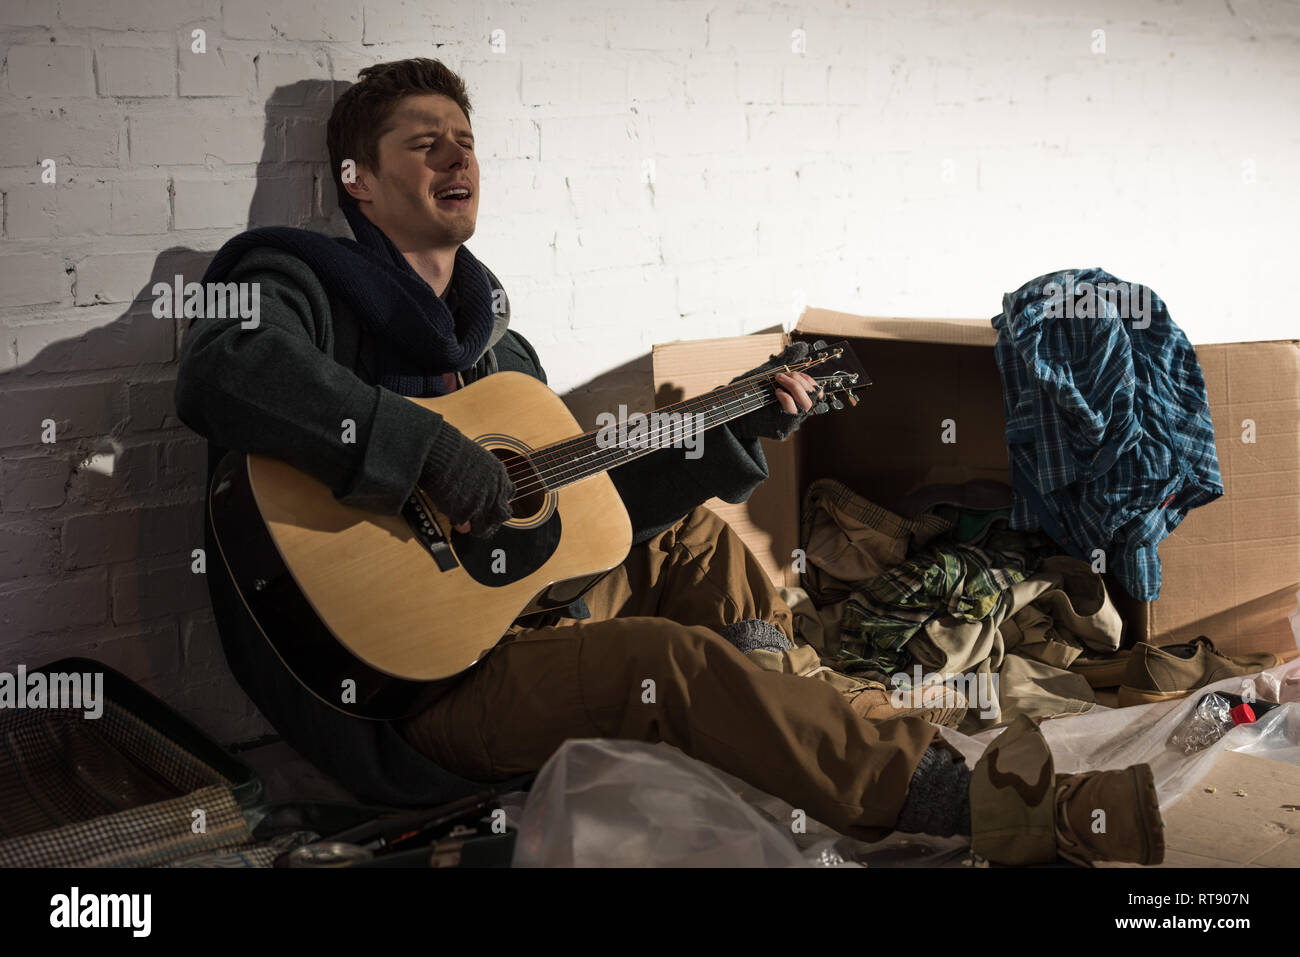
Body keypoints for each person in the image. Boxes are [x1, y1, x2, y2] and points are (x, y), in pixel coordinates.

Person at [175, 57, 1165, 865]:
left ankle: (800, 705)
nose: (455, 156)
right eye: (421, 142)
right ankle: (970, 801)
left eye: (465, 139)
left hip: (512, 613)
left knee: (707, 538)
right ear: (358, 179)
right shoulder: (296, 277)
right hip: (412, 696)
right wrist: (422, 449)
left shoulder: (498, 351)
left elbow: (585, 518)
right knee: (666, 663)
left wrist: (739, 430)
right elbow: (228, 370)